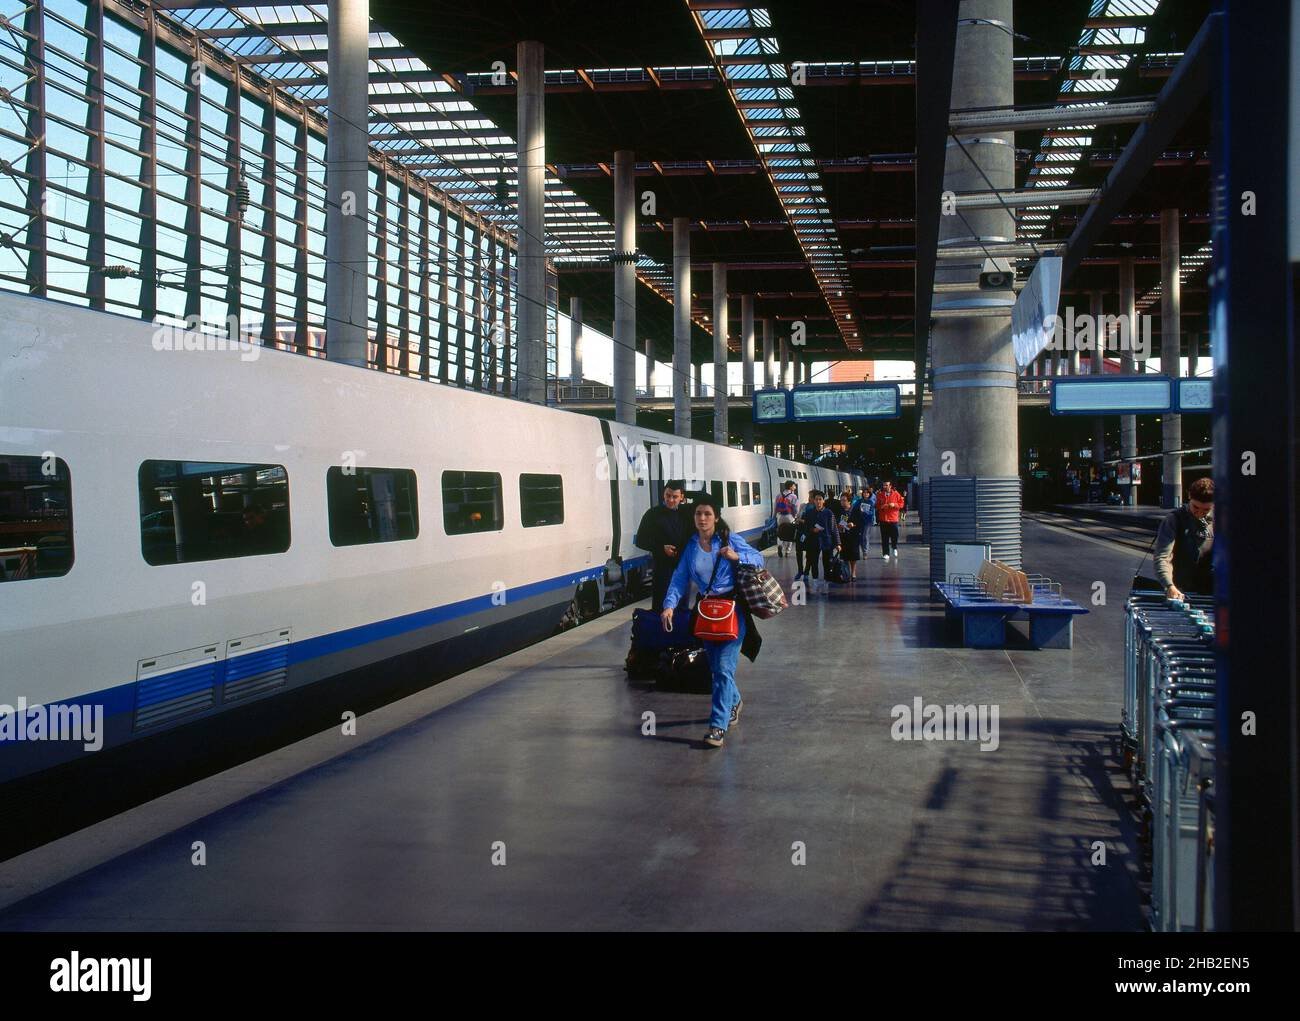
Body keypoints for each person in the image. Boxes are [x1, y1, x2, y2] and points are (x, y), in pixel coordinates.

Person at [660, 493, 764, 749]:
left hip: (732, 611)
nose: (702, 518)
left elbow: (759, 558)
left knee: (724, 668)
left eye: (707, 514)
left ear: (716, 517)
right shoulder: (691, 546)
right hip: (707, 612)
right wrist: (669, 605)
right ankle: (735, 701)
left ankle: (717, 726)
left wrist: (737, 557)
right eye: (698, 514)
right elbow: (679, 577)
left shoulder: (729, 540)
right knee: (716, 668)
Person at [635, 480, 694, 611]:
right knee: (660, 608)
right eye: (668, 495)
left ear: (682, 497)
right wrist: (661, 548)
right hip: (662, 570)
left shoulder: (687, 513)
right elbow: (640, 540)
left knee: (682, 609)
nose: (670, 500)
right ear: (663, 494)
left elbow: (706, 500)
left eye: (675, 497)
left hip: (683, 569)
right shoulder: (652, 514)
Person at [1154, 477, 1214, 599]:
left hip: (1210, 590)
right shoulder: (1174, 520)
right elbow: (1163, 557)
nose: (1200, 513)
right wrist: (1169, 585)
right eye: (1195, 507)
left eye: (1206, 510)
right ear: (1189, 497)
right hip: (1179, 590)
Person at [798, 490, 838, 593]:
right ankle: (815, 582)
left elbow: (834, 529)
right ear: (814, 501)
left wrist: (838, 543)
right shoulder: (809, 513)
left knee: (827, 563)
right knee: (813, 562)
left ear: (823, 501)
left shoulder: (829, 513)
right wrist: (812, 530)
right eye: (816, 499)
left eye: (820, 499)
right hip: (813, 541)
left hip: (826, 541)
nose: (818, 501)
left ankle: (826, 583)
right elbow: (806, 527)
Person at [839, 492, 866, 581]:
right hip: (843, 535)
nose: (842, 502)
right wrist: (839, 526)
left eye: (844, 500)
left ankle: (853, 573)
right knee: (845, 556)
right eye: (841, 500)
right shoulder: (840, 511)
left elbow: (861, 522)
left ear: (849, 501)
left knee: (853, 555)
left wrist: (853, 524)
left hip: (853, 536)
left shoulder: (855, 510)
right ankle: (846, 573)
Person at [876, 479, 905, 561]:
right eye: (884, 485)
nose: (884, 487)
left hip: (893, 519)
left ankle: (894, 547)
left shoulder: (896, 494)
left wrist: (894, 504)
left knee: (894, 535)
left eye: (886, 485)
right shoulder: (880, 495)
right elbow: (877, 505)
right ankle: (885, 553)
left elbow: (901, 504)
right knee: (884, 537)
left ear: (890, 486)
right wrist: (881, 507)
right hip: (883, 519)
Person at [774, 481, 799, 559]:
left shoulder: (779, 495)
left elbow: (775, 506)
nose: (795, 487)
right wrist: (795, 516)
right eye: (794, 486)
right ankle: (787, 551)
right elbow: (795, 508)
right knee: (790, 533)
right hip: (789, 516)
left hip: (780, 516)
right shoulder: (793, 496)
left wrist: (774, 515)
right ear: (791, 487)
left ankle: (780, 545)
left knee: (780, 532)